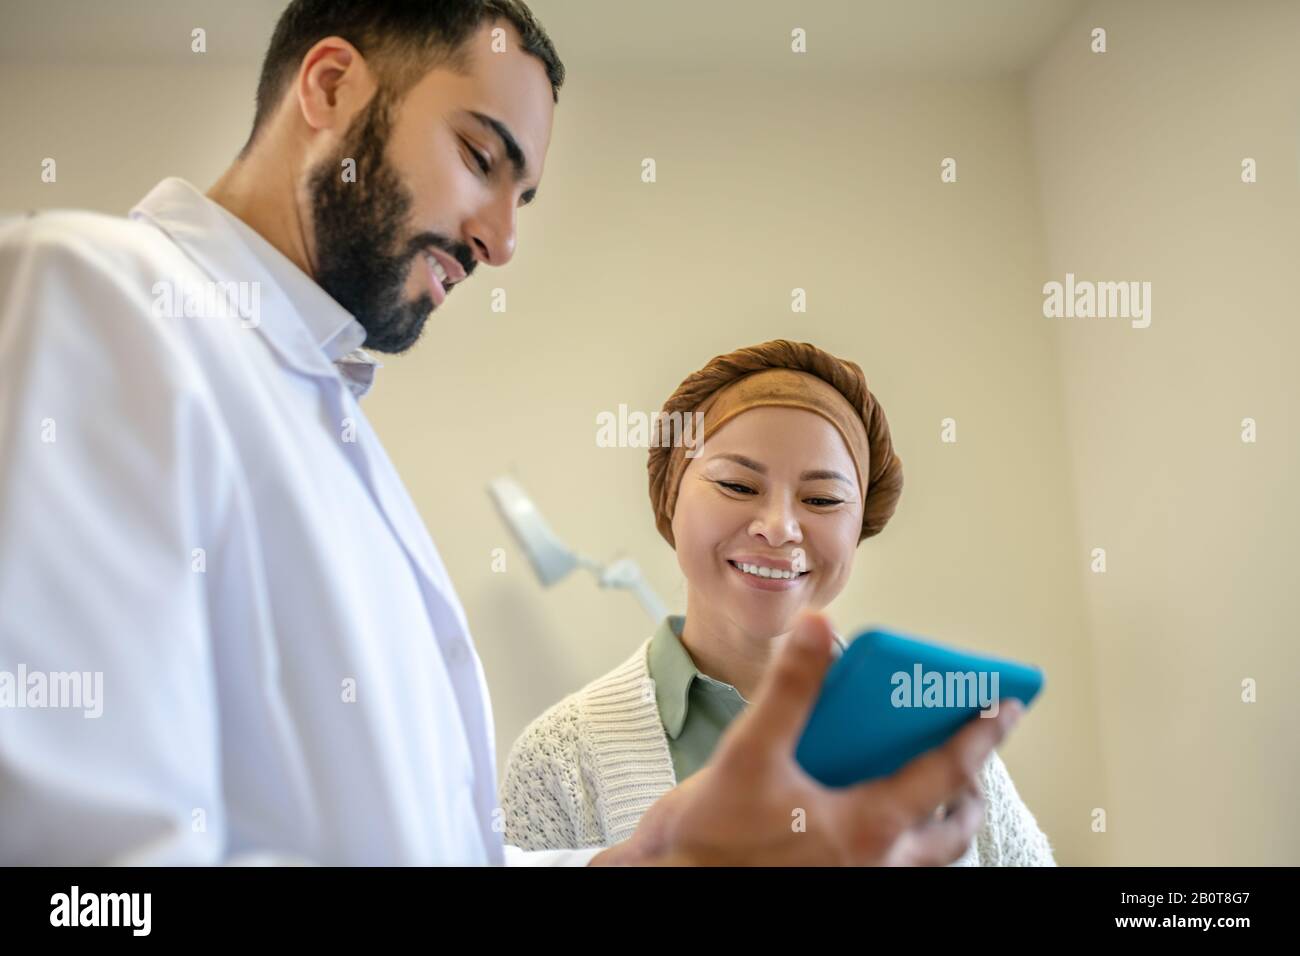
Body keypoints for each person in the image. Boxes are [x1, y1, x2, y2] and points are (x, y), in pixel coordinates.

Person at [0, 0, 1022, 866]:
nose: (501, 237)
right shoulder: (97, 294)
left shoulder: (317, 408)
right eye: (480, 157)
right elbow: (87, 872)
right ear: (329, 88)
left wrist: (661, 853)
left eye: (520, 195)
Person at [501, 340, 1055, 866]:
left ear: (860, 525)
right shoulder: (559, 758)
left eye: (822, 499)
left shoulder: (933, 731)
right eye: (739, 486)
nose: (780, 529)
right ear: (671, 496)